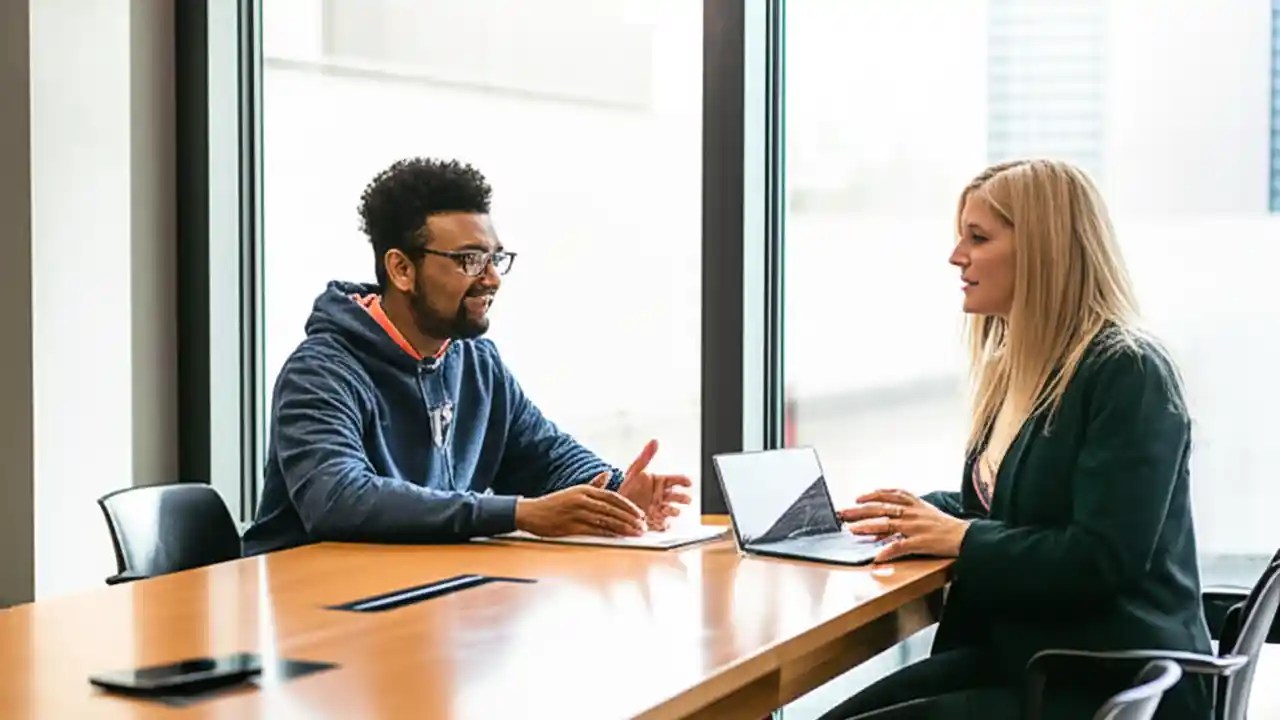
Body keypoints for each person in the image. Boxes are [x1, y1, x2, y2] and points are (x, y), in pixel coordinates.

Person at [820, 159, 1213, 719]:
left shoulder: (1128, 371)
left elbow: (1101, 557)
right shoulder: (1023, 369)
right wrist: (904, 518)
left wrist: (960, 538)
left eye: (978, 238)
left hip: (1099, 677)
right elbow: (1021, 510)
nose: (957, 257)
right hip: (1030, 656)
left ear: (1044, 252)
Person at [242, 158, 692, 556]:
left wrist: (614, 496)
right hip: (316, 609)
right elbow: (338, 499)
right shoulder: (321, 371)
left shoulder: (476, 362)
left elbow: (543, 456)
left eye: (495, 259)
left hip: (417, 599)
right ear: (401, 269)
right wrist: (517, 513)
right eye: (470, 260)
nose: (492, 279)